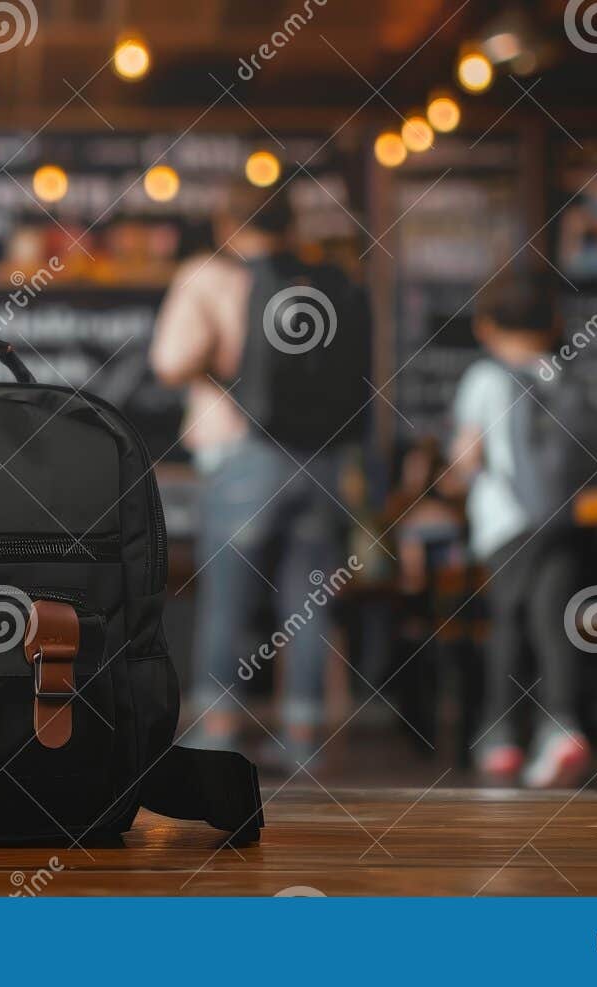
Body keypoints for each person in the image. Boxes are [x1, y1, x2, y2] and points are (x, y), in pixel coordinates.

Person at [150, 180, 366, 766]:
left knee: (226, 599)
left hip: (244, 456)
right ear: (291, 225)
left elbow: (170, 362)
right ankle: (301, 738)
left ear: (227, 225)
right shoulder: (323, 278)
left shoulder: (210, 275)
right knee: (308, 601)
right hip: (324, 459)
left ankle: (217, 733)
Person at [449, 277, 597, 788]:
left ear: (485, 327)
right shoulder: (566, 376)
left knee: (508, 622)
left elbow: (466, 457)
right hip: (564, 519)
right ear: (556, 325)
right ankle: (560, 725)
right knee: (553, 617)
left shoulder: (482, 378)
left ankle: (499, 736)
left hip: (506, 524)